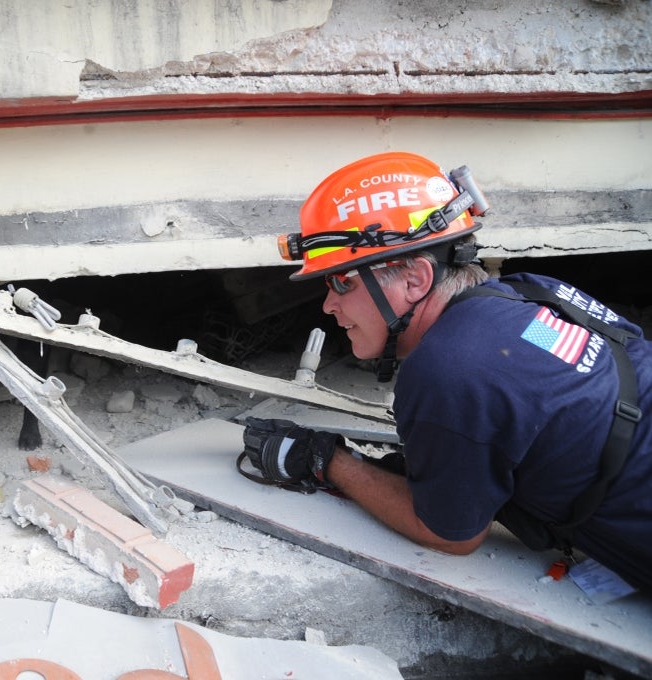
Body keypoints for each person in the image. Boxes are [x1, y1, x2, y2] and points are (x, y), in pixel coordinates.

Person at [242, 151, 652, 592]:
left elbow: (449, 534)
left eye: (344, 281)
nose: (329, 304)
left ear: (416, 279)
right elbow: (538, 388)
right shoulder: (536, 294)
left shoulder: (451, 369)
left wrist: (328, 461)